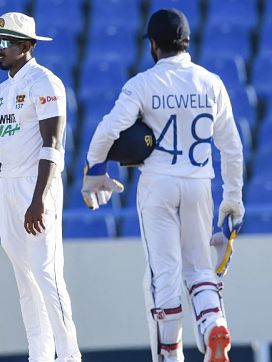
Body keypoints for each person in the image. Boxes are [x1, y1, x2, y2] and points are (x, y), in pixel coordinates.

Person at [80, 8, 244, 362]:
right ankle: (213, 322)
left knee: (164, 274)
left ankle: (170, 356)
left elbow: (109, 129)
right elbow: (231, 147)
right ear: (186, 42)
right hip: (199, 184)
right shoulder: (211, 82)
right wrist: (232, 200)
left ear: (153, 44)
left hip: (158, 184)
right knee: (200, 268)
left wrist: (94, 172)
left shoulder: (142, 84)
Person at [0, 12, 82, 362]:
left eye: (4, 42)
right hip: (8, 189)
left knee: (46, 275)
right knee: (25, 282)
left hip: (38, 189)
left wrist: (38, 200)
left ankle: (69, 356)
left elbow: (53, 145)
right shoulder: (1, 91)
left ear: (27, 46)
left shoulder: (46, 83)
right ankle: (40, 356)